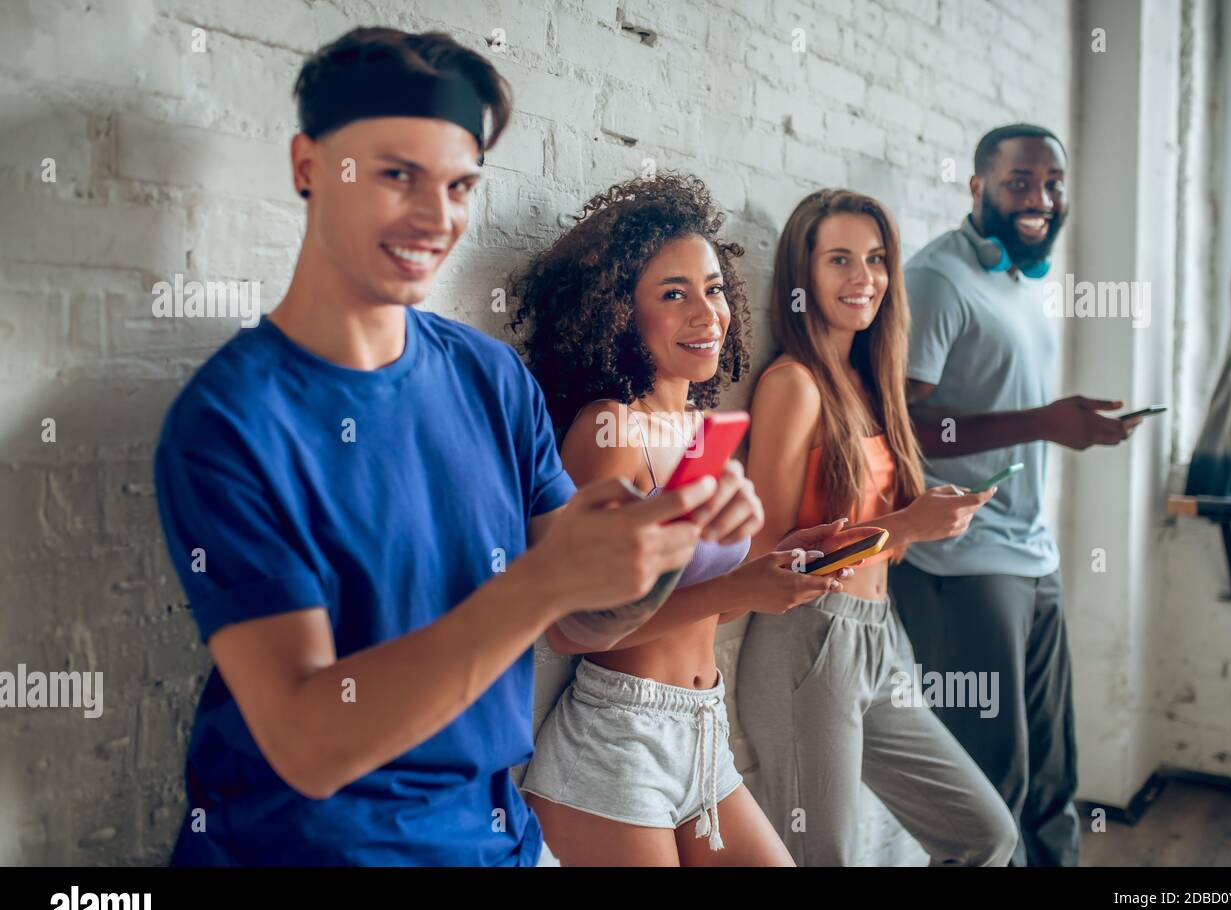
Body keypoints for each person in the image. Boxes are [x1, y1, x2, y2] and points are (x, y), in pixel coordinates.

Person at [152, 27, 758, 866]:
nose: (436, 217)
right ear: (308, 165)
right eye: (397, 175)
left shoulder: (491, 379)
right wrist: (542, 580)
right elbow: (308, 743)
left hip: (496, 838)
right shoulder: (232, 417)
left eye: (460, 184)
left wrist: (661, 545)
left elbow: (580, 617)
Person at [510, 172, 853, 866]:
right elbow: (572, 628)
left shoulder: (703, 431)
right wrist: (742, 587)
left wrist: (773, 569)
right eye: (674, 294)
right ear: (620, 312)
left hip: (704, 735)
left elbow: (702, 608)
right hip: (618, 743)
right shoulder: (609, 430)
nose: (707, 314)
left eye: (713, 289)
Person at [736, 188, 1019, 867]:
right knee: (823, 857)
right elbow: (765, 560)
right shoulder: (794, 384)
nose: (863, 277)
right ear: (802, 274)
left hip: (879, 636)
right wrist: (904, 527)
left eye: (876, 258)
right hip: (808, 641)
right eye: (839, 259)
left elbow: (875, 524)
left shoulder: (869, 383)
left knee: (985, 834)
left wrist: (920, 521)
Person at [892, 124, 1142, 867]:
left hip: (1033, 555)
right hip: (962, 564)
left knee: (1053, 778)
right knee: (990, 787)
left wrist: (1065, 423)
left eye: (1053, 184)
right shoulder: (937, 279)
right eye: (1020, 183)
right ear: (978, 188)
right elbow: (904, 425)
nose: (1041, 199)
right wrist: (1043, 422)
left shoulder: (1022, 280)